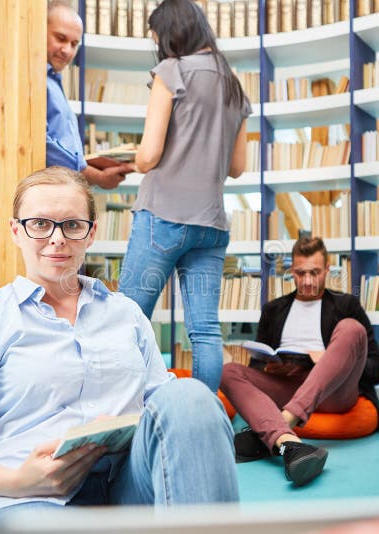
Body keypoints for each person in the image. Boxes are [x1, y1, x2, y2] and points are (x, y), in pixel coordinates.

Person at [0, 167, 239, 523]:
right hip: (30, 497)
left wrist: (125, 424)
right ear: (16, 231)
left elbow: (167, 412)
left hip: (128, 484)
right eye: (40, 224)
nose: (57, 239)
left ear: (91, 234)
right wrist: (19, 481)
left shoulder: (127, 314)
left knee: (192, 397)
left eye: (72, 225)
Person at [118, 0, 251, 392]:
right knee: (206, 331)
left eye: (156, 37)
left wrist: (128, 158)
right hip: (211, 225)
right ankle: (205, 420)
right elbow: (237, 167)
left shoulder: (171, 70)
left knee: (129, 319)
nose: (157, 45)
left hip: (162, 216)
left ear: (171, 33)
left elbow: (148, 156)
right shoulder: (233, 84)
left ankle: (127, 417)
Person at [219, 237, 379, 486]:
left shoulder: (346, 304)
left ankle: (281, 425)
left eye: (315, 273)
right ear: (291, 272)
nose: (307, 281)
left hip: (334, 392)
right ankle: (291, 445)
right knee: (228, 371)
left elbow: (375, 369)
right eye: (300, 273)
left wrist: (330, 359)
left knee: (351, 328)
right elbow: (255, 368)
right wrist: (270, 368)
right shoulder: (274, 309)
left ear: (327, 270)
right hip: (287, 386)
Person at [46, 0, 130, 189]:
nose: (67, 50)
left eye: (74, 44)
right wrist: (96, 176)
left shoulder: (53, 82)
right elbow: (42, 145)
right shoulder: (32, 80)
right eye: (60, 38)